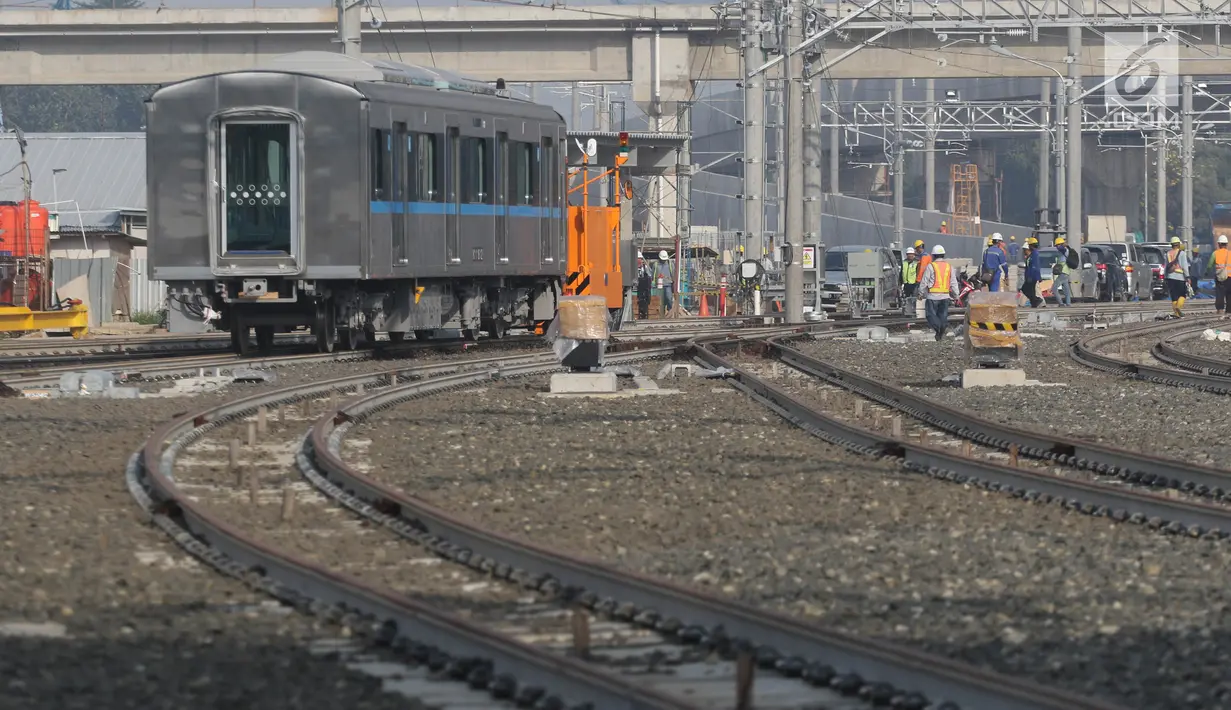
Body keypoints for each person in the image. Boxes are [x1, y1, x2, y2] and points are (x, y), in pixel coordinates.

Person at [917, 244, 959, 341]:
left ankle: (940, 330)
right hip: (945, 297)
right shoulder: (949, 267)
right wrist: (957, 295)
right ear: (943, 255)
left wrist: (920, 293)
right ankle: (941, 333)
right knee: (942, 316)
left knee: (930, 315)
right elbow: (953, 282)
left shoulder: (931, 266)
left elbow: (924, 281)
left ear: (933, 255)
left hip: (932, 297)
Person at [1165, 236, 1191, 317]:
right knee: (1182, 295)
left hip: (1170, 278)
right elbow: (1184, 266)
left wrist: (1166, 277)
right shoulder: (1182, 253)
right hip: (1180, 278)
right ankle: (1178, 308)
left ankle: (1176, 314)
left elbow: (1166, 266)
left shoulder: (1168, 254)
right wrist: (1188, 277)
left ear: (1171, 245)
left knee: (1174, 297)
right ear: (1179, 244)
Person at [1208, 234, 1231, 315]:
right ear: (1227, 244)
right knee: (1229, 294)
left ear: (1219, 244)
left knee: (1220, 294)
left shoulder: (1215, 253)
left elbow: (1210, 265)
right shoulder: (1230, 254)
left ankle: (1220, 310)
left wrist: (1207, 272)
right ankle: (1229, 311)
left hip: (1220, 278)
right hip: (1230, 278)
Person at [1052, 237, 1076, 307]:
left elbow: (1061, 248)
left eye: (1057, 245)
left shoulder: (1064, 250)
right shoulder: (1065, 251)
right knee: (1066, 289)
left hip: (1063, 272)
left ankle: (1061, 303)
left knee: (1054, 288)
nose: (1056, 247)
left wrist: (1062, 245)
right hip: (1066, 272)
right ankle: (1068, 303)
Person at [1021, 239, 1043, 307]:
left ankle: (1036, 300)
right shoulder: (1032, 254)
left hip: (1032, 276)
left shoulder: (1035, 254)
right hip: (1029, 276)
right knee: (1031, 291)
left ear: (1031, 245)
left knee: (1025, 289)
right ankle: (1034, 302)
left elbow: (1035, 267)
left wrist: (1032, 276)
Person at [655, 250, 674, 315]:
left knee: (669, 298)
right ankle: (660, 314)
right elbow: (652, 275)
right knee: (659, 301)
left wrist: (674, 283)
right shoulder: (656, 264)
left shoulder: (670, 264)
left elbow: (674, 274)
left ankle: (669, 312)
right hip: (659, 286)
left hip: (668, 284)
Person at [636, 250, 652, 320]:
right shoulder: (632, 268)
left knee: (645, 302)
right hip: (636, 289)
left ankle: (644, 314)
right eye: (638, 259)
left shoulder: (645, 268)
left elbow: (649, 277)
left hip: (644, 290)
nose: (639, 261)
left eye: (640, 259)